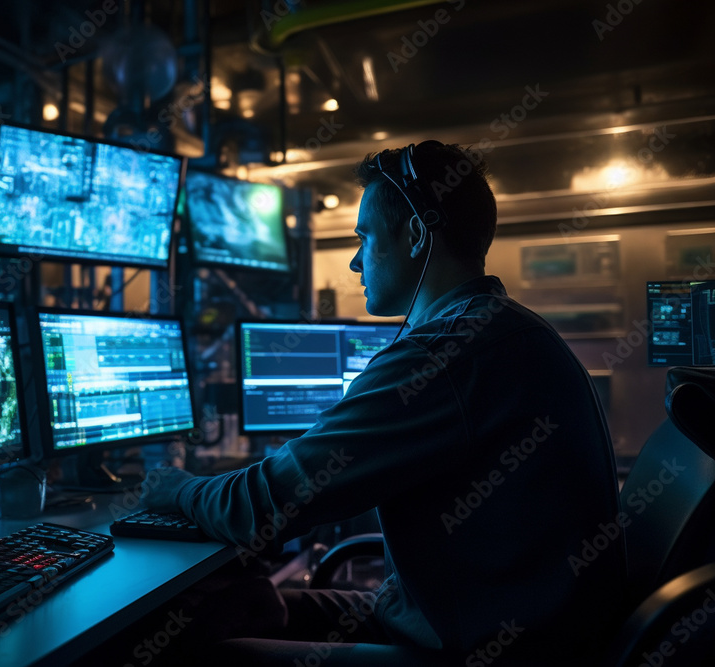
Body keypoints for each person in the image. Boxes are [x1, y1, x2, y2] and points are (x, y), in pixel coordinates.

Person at [141, 141, 627, 665]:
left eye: (364, 237)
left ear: (416, 235)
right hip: (466, 619)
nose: (354, 260)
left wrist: (177, 487)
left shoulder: (442, 355)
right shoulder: (506, 327)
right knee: (247, 608)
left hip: (479, 650)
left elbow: (259, 509)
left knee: (219, 654)